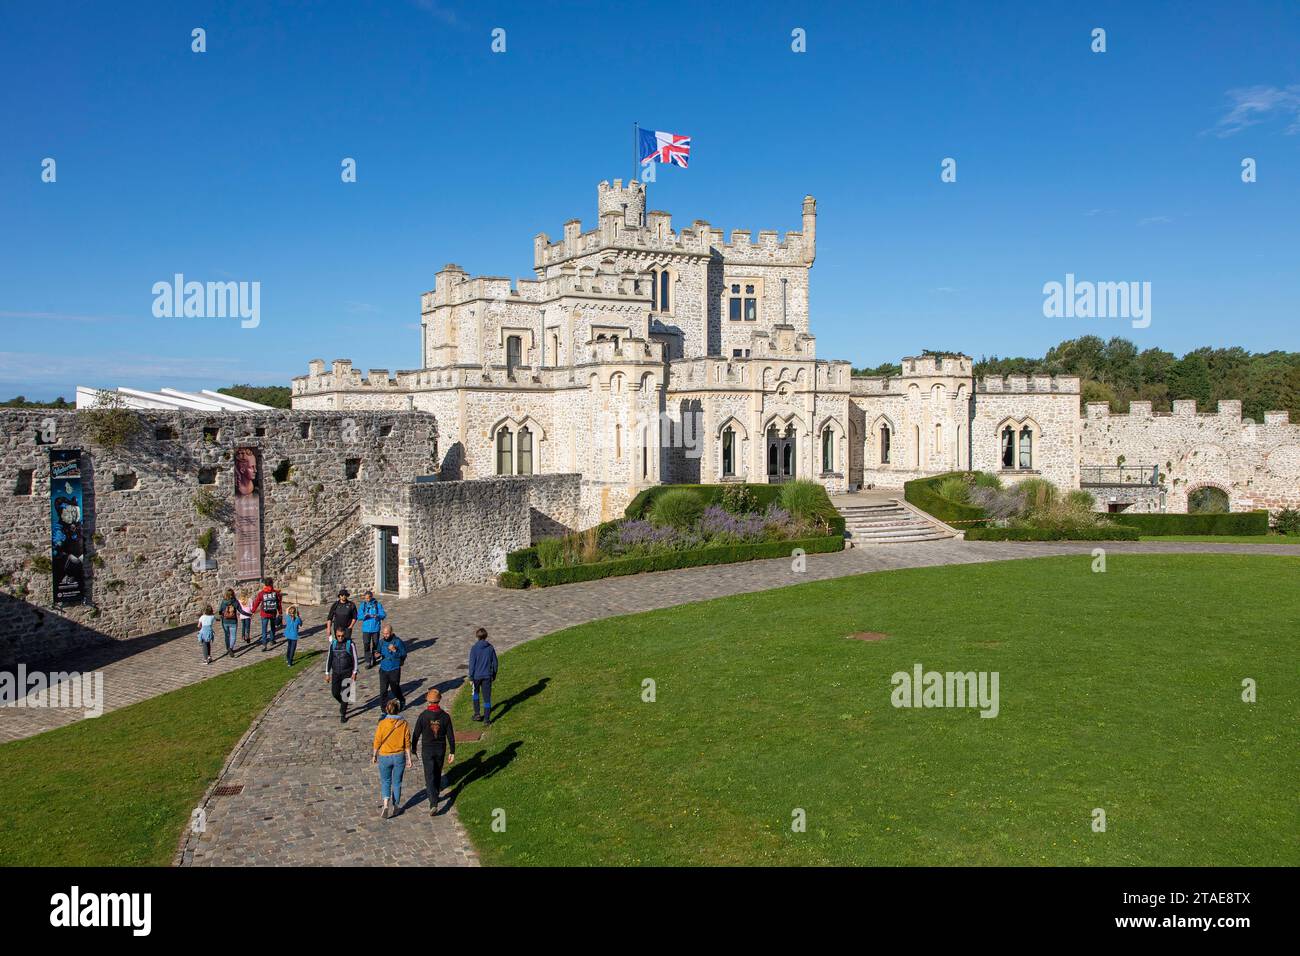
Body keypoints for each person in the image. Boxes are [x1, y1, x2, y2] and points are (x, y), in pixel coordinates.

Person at [409, 689, 455, 815]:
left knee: (429, 775)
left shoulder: (423, 716)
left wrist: (413, 748)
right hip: (440, 749)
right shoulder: (445, 717)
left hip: (427, 750)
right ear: (439, 700)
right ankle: (436, 793)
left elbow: (416, 734)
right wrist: (452, 751)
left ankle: (433, 802)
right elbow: (450, 735)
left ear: (428, 701)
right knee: (437, 772)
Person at [372, 700, 411, 819]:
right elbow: (407, 742)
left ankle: (385, 805)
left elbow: (377, 740)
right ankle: (396, 805)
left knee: (385, 781)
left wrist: (374, 755)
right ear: (398, 709)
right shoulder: (403, 724)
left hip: (384, 756)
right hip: (399, 756)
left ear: (386, 710)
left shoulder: (382, 724)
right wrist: (409, 758)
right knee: (397, 782)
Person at [324, 626, 359, 723]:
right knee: (335, 693)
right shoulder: (333, 644)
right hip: (336, 672)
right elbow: (329, 659)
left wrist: (354, 672)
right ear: (336, 635)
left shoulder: (350, 644)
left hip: (347, 672)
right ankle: (343, 703)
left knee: (345, 694)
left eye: (342, 636)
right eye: (338, 636)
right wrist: (327, 673)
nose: (340, 638)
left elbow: (355, 659)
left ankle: (343, 713)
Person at [468, 627, 499, 724]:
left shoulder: (474, 648)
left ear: (477, 636)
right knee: (487, 698)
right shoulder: (490, 648)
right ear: (486, 636)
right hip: (487, 676)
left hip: (476, 676)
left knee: (475, 694)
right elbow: (495, 663)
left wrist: (471, 677)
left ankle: (477, 714)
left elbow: (472, 664)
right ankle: (487, 719)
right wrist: (493, 674)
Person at [376, 622, 407, 711]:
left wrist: (394, 651)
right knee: (383, 691)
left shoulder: (398, 642)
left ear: (391, 632)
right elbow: (378, 651)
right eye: (384, 633)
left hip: (394, 668)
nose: (385, 635)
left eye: (387, 633)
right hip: (383, 668)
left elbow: (403, 654)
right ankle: (383, 709)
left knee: (395, 689)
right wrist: (376, 655)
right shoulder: (381, 642)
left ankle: (401, 700)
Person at [250, 577, 283, 651]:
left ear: (265, 584)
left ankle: (264, 644)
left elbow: (256, 603)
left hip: (264, 613)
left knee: (264, 629)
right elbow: (279, 604)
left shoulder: (261, 593)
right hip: (273, 613)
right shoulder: (276, 593)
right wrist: (280, 613)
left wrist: (252, 611)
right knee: (272, 627)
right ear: (271, 584)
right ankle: (272, 640)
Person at [357, 589, 387, 668]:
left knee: (375, 644)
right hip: (366, 629)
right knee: (366, 644)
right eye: (366, 598)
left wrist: (378, 616)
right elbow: (359, 616)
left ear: (371, 597)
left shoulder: (377, 604)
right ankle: (368, 660)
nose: (367, 599)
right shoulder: (363, 605)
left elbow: (383, 614)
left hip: (375, 628)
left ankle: (373, 659)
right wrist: (364, 616)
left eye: (368, 598)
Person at [217, 588, 241, 657]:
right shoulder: (235, 601)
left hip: (225, 621)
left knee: (227, 635)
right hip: (233, 621)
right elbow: (240, 610)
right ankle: (230, 648)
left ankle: (228, 648)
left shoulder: (223, 602)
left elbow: (220, 611)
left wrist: (221, 616)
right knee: (233, 636)